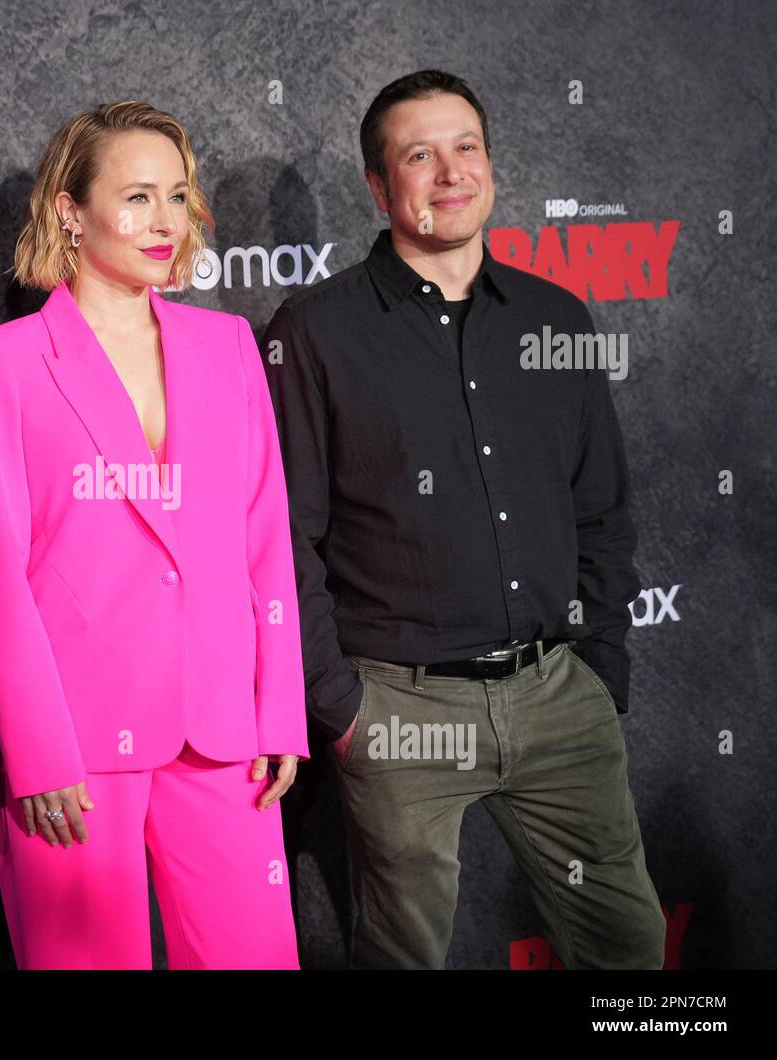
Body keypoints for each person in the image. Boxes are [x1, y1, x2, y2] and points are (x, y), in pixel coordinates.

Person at [262, 69, 665, 970]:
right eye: (419, 155)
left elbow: (603, 511)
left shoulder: (557, 318)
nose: (449, 173)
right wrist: (341, 707)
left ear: (491, 165)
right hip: (398, 708)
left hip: (560, 695)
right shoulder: (315, 332)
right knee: (403, 956)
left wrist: (600, 671)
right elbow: (286, 540)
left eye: (465, 148)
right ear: (379, 185)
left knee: (629, 953)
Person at [0, 101, 308, 969]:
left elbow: (265, 538)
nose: (165, 223)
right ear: (69, 211)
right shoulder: (1, 363)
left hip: (222, 731)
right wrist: (35, 753)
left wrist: (278, 711)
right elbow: (2, 573)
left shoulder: (228, 345)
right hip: (73, 751)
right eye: (138, 197)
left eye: (178, 197)